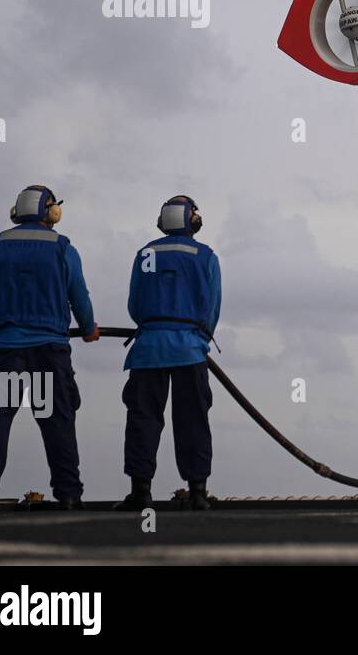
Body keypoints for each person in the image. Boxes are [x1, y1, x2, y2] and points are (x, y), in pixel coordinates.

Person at [0, 186, 99, 513]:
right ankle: (68, 496)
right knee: (58, 423)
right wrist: (89, 328)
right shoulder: (62, 247)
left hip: (4, 350)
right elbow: (79, 295)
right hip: (50, 350)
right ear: (51, 212)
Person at [116, 196, 221, 512]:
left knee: (143, 420)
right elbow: (211, 307)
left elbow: (135, 304)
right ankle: (198, 493)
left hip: (148, 349)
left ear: (163, 222)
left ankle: (140, 492)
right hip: (190, 350)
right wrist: (198, 337)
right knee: (193, 420)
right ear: (193, 221)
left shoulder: (146, 254)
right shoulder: (205, 256)